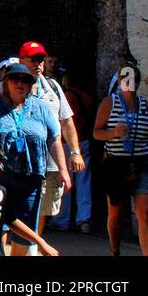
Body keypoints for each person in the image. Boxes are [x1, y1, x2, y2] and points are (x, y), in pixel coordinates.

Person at [0, 62, 68, 256]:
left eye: (25, 80)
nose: (20, 83)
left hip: (30, 179)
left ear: (30, 84)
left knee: (25, 233)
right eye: (15, 79)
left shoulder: (40, 107)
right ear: (7, 82)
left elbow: (54, 139)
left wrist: (63, 169)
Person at [93, 62, 148, 256]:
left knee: (145, 213)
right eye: (126, 79)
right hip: (116, 163)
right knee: (116, 214)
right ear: (120, 81)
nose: (130, 83)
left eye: (134, 79)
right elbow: (96, 133)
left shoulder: (147, 106)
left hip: (142, 162)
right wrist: (113, 132)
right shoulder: (108, 103)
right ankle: (115, 251)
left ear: (138, 82)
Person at [19, 41, 83, 238]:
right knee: (19, 210)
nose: (38, 64)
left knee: (42, 211)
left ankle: (32, 248)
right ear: (21, 60)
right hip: (20, 161)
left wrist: (75, 152)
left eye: (41, 60)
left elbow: (66, 121)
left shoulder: (53, 87)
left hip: (50, 162)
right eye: (33, 59)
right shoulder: (10, 86)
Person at [50, 64, 95, 233]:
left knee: (65, 181)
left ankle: (61, 219)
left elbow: (66, 122)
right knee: (84, 181)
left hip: (67, 143)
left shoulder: (68, 96)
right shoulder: (88, 97)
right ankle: (84, 219)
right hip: (84, 141)